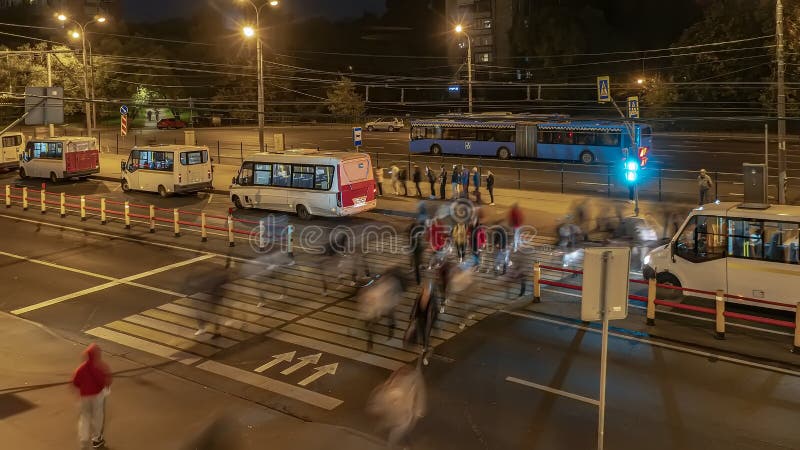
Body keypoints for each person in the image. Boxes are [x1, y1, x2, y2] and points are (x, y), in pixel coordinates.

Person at [366, 365, 426, 447]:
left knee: (395, 434)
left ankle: (393, 445)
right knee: (386, 428)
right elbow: (378, 400)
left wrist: (418, 409)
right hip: (394, 417)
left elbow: (420, 393)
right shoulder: (389, 387)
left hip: (403, 418)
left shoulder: (411, 381)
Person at [72, 343, 112, 449]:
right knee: (97, 417)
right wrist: (106, 387)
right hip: (97, 396)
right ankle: (97, 439)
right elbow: (104, 381)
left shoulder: (80, 369)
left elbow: (75, 382)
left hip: (84, 397)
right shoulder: (100, 367)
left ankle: (84, 441)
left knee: (84, 418)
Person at [358, 267, 406, 350]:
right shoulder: (386, 281)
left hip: (388, 304)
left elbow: (381, 292)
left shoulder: (392, 282)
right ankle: (373, 338)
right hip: (382, 305)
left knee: (389, 318)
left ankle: (390, 332)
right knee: (382, 318)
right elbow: (378, 291)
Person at [406, 279, 439, 366]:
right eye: (425, 290)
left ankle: (425, 353)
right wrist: (412, 317)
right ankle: (419, 344)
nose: (426, 292)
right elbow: (415, 307)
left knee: (426, 338)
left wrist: (433, 323)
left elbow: (435, 312)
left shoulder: (433, 300)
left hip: (428, 322)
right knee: (418, 333)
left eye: (427, 291)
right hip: (420, 319)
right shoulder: (419, 297)